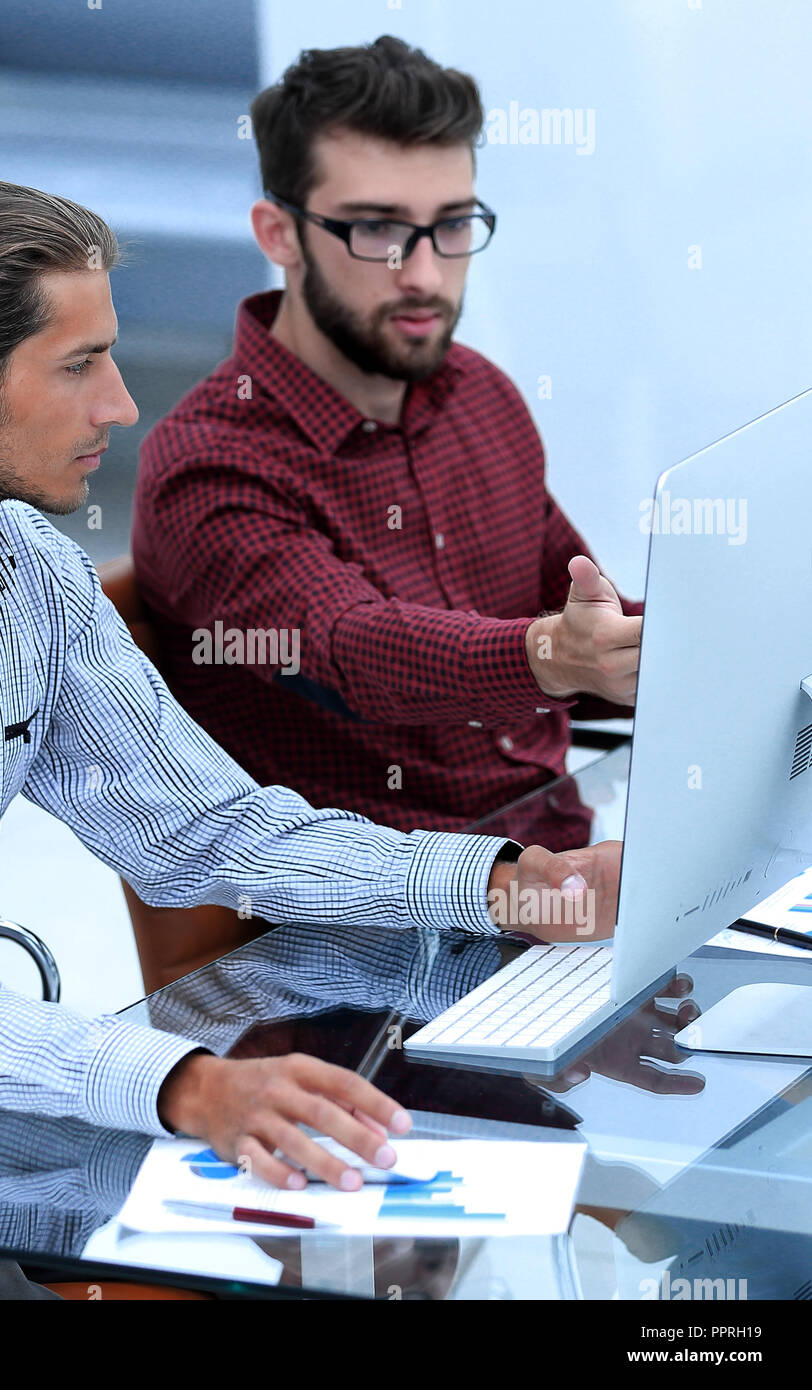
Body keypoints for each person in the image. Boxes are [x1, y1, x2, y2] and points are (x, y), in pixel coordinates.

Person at [0, 175, 620, 1298]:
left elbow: (212, 834)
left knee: (356, 1237)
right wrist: (188, 1083)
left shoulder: (27, 575)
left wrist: (510, 880)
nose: (121, 404)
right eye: (78, 365)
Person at [132, 35, 643, 845]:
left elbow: (587, 627)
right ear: (280, 235)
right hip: (363, 933)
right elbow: (351, 650)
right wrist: (553, 655)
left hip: (560, 867)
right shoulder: (208, 467)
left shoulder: (478, 393)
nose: (427, 275)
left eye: (452, 225)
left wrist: (728, 633)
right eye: (377, 230)